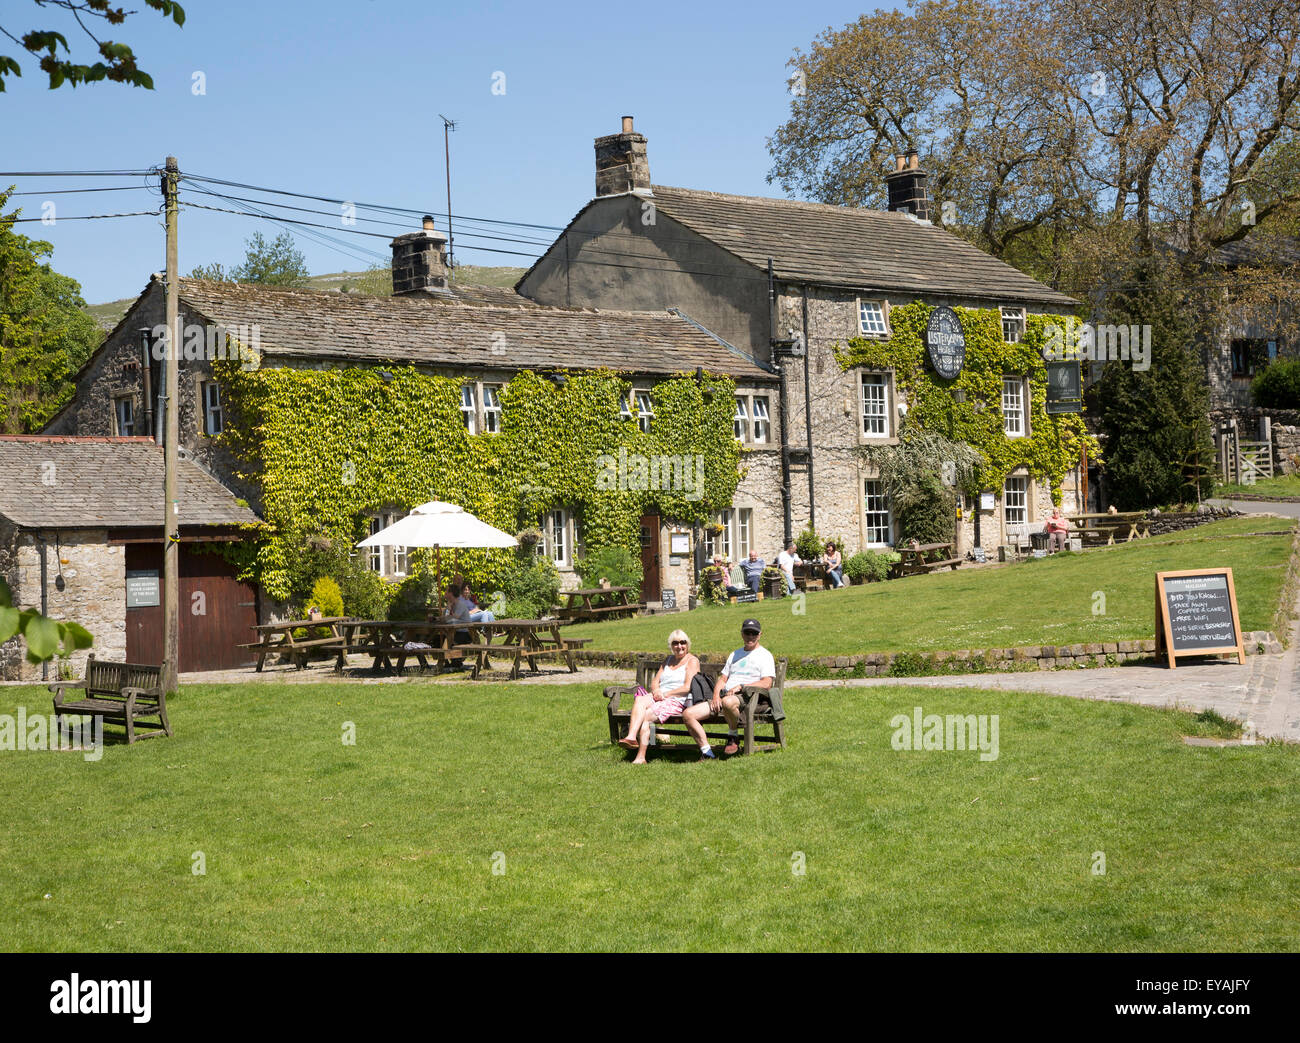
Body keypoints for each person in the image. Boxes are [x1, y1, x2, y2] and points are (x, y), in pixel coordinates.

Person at [682, 618, 775, 759]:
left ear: (760, 634)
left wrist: (743, 687)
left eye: (754, 633)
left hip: (749, 697)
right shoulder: (735, 654)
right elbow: (723, 679)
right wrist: (715, 696)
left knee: (728, 702)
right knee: (688, 714)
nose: (750, 636)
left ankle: (732, 735)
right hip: (725, 696)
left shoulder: (765, 655)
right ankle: (707, 752)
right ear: (741, 634)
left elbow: (767, 683)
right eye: (747, 633)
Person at [618, 630, 707, 764]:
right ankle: (631, 737)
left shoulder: (692, 661)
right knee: (640, 699)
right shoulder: (668, 660)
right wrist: (656, 691)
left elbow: (687, 687)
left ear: (688, 644)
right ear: (671, 646)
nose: (679, 646)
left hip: (677, 700)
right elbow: (655, 681)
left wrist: (665, 694)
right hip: (660, 696)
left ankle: (641, 757)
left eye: (683, 642)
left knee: (646, 716)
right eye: (675, 643)